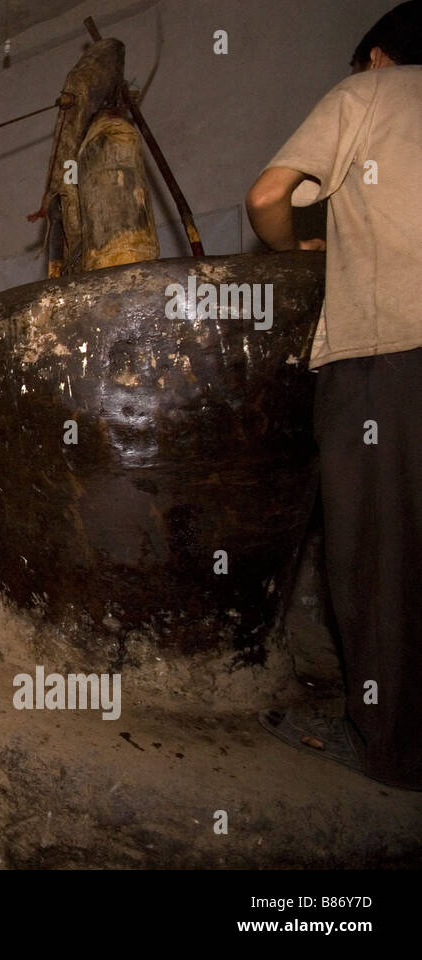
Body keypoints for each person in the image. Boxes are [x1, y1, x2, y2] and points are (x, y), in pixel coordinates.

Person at [246, 1, 422, 791]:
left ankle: (392, 751)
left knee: (380, 558)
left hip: (388, 358)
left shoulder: (369, 95)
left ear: (378, 57)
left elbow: (266, 195)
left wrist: (296, 246)